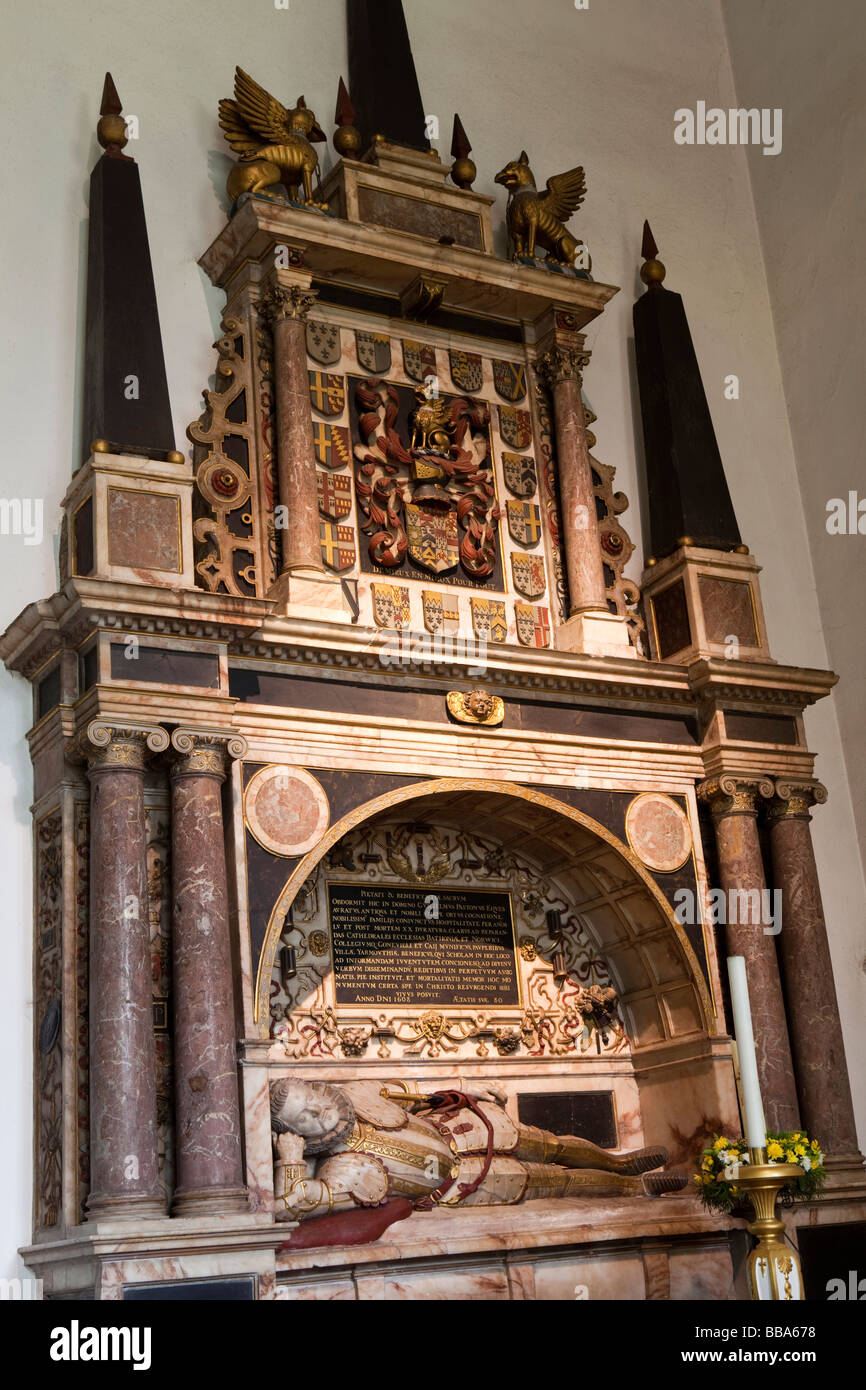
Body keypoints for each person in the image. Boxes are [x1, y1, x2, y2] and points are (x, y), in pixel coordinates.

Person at [271, 1077, 686, 1223]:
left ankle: (622, 1163)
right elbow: (288, 1208)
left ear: (321, 1089)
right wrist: (290, 1161)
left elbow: (417, 1097)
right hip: (459, 1186)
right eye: (304, 1118)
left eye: (313, 1098)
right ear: (297, 1133)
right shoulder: (338, 1170)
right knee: (555, 1182)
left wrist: (463, 1092)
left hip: (459, 1130)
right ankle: (638, 1190)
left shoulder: (359, 1094)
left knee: (553, 1146)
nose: (318, 1111)